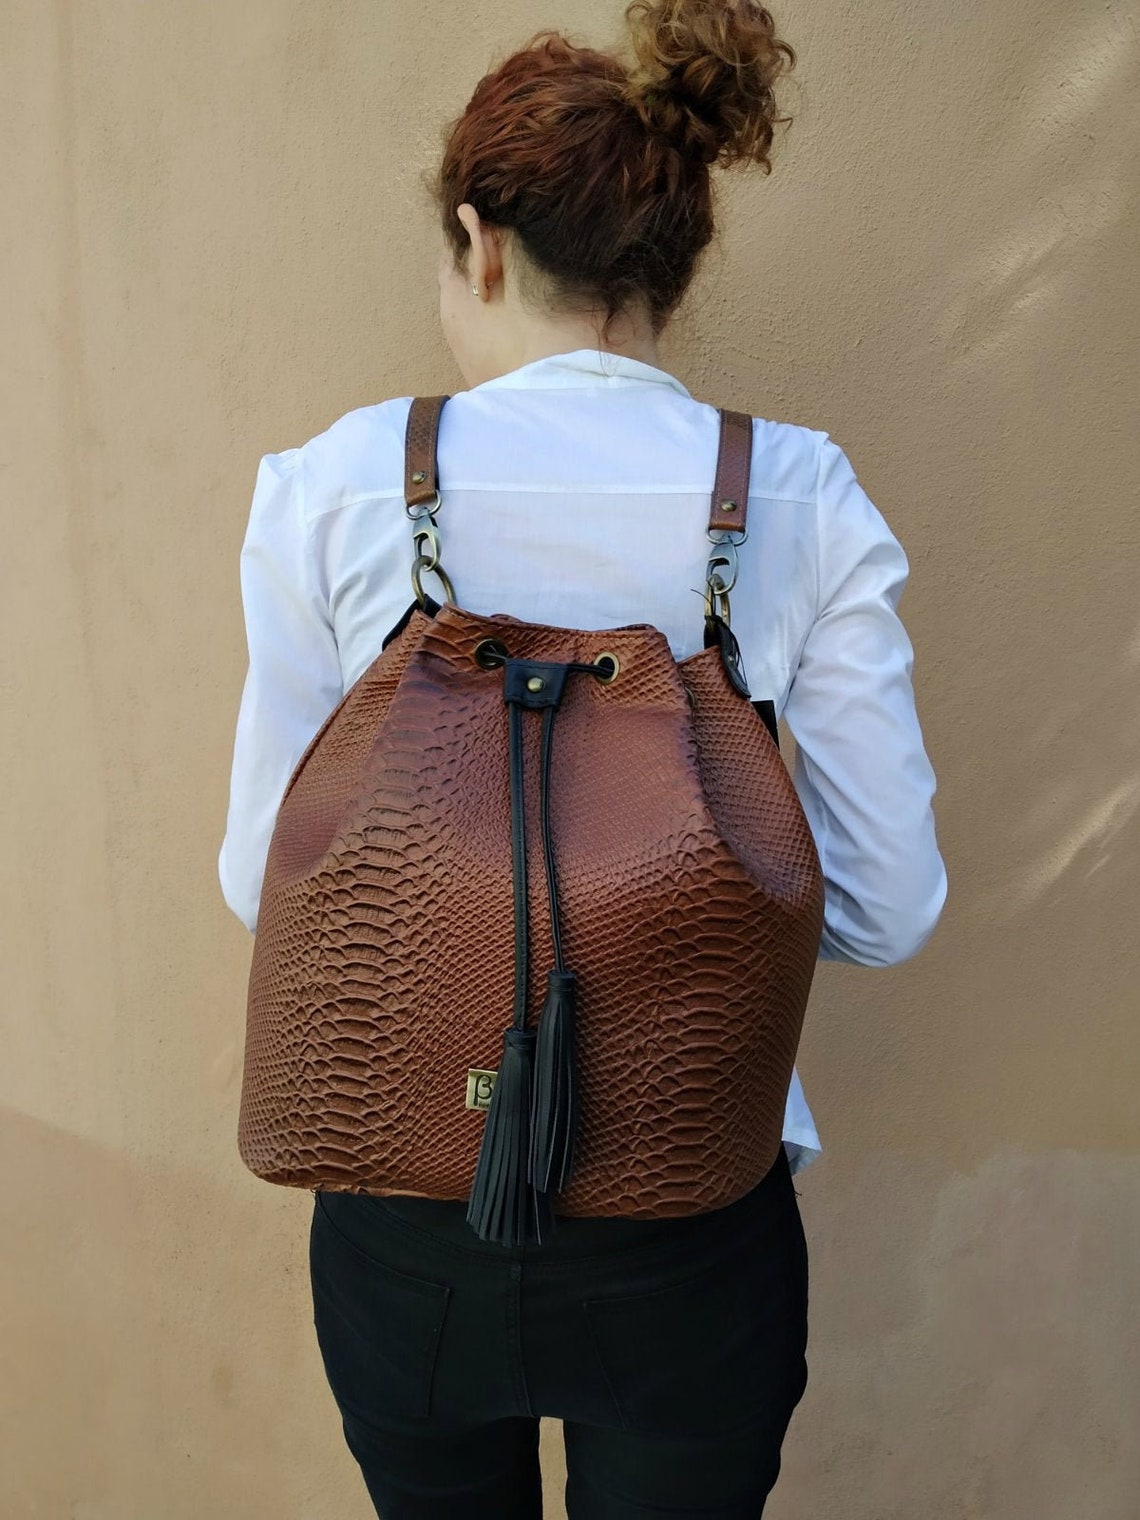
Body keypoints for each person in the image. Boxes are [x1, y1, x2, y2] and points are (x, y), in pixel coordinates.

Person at [218, 1, 947, 1514]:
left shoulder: (333, 491)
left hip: (405, 1206)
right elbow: (886, 908)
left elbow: (259, 883)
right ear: (673, 267)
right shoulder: (796, 497)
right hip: (692, 1210)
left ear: (477, 245)